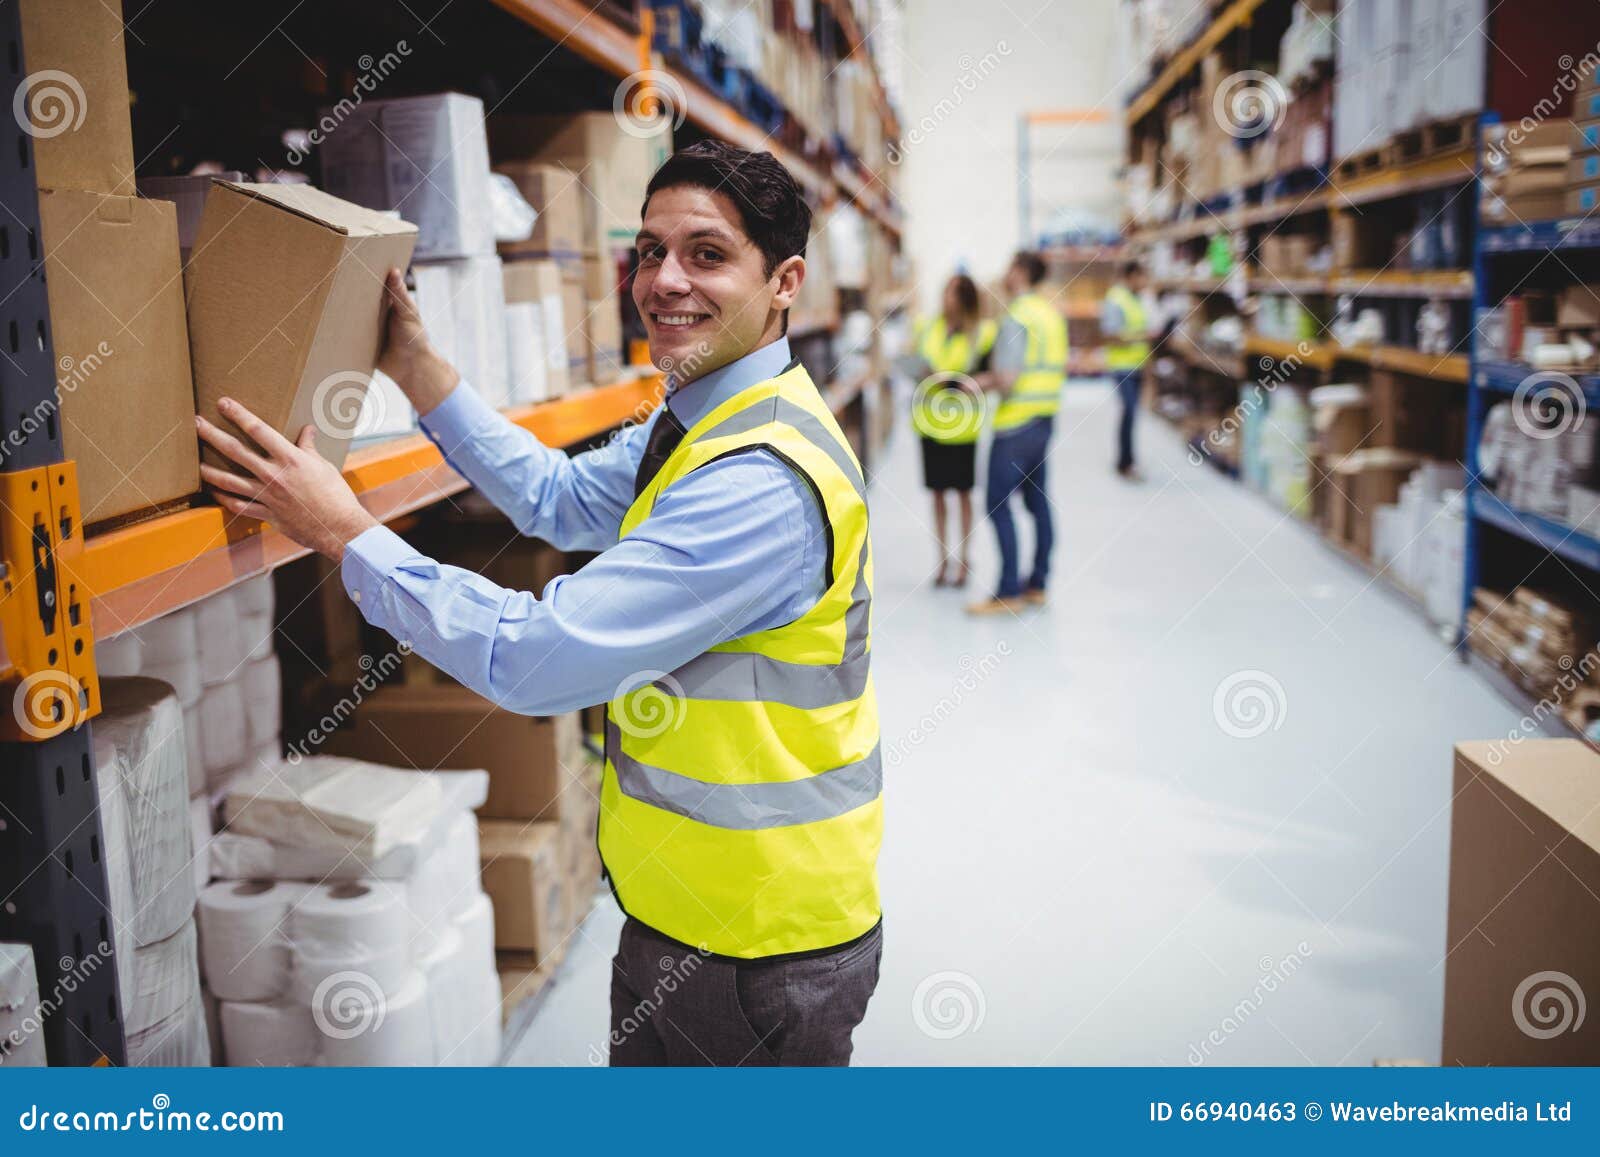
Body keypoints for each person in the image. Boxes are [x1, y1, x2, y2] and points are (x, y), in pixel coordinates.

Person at [195, 140, 883, 1067]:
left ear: (786, 281)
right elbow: (554, 496)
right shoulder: (704, 423)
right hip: (680, 914)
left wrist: (344, 531)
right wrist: (420, 370)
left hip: (756, 946)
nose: (664, 280)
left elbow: (537, 657)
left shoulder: (759, 479)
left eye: (708, 255)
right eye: (649, 251)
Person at [966, 250, 1068, 615]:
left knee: (997, 502)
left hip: (1015, 424)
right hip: (1044, 419)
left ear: (1021, 272)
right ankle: (1038, 583)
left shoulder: (1018, 317)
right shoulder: (1050, 315)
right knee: (1038, 502)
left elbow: (1007, 380)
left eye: (1010, 268)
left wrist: (975, 383)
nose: (1005, 275)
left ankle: (1008, 590)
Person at [910, 274, 994, 588]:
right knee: (937, 495)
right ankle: (943, 559)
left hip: (962, 427)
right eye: (945, 292)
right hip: (930, 422)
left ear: (967, 299)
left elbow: (990, 375)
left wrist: (965, 383)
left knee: (962, 494)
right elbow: (917, 362)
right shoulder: (927, 328)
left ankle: (965, 559)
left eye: (954, 294)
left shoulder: (982, 334)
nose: (947, 299)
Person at [1103, 261, 1152, 479]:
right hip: (1122, 368)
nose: (1145, 283)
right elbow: (1111, 335)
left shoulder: (1136, 299)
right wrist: (1142, 336)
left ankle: (1127, 461)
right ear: (1131, 276)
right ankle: (1125, 463)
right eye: (1142, 277)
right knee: (1129, 413)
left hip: (1137, 365)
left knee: (1131, 414)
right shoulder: (1116, 300)